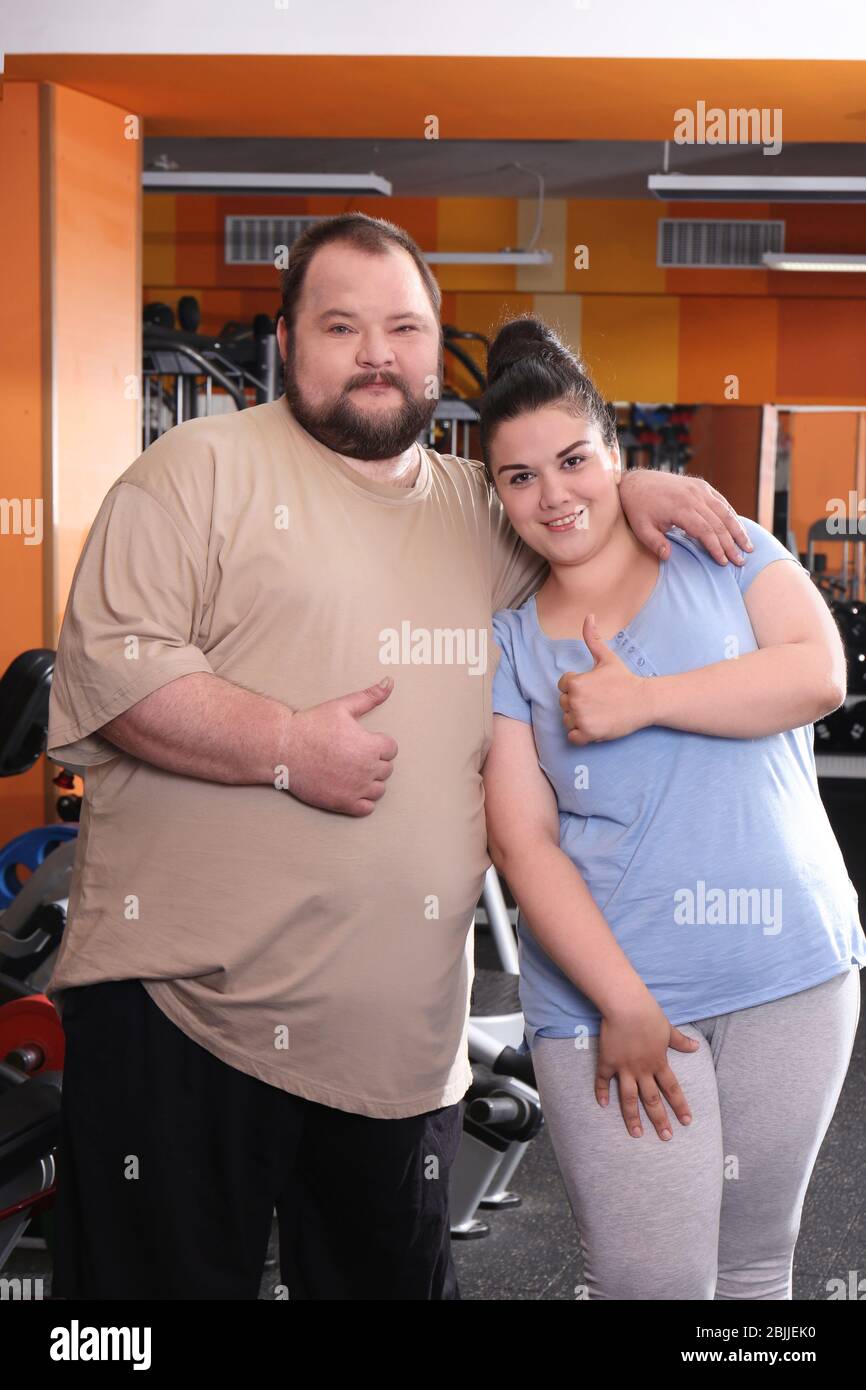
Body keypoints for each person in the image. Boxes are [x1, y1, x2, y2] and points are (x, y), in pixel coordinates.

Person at [45, 214, 751, 1301]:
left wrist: (626, 486)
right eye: (341, 325)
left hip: (395, 1041)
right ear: (286, 343)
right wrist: (284, 747)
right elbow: (117, 674)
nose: (378, 352)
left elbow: (579, 530)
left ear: (433, 350)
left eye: (403, 328)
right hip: (183, 1016)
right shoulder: (191, 472)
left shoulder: (483, 508)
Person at [481, 314, 866, 1301]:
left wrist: (640, 699)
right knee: (646, 1282)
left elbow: (814, 673)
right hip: (617, 1002)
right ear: (495, 493)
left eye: (573, 459)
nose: (553, 493)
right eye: (520, 476)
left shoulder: (723, 548)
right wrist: (623, 1002)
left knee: (753, 1269)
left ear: (615, 454)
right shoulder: (510, 644)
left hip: (792, 968)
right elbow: (522, 844)